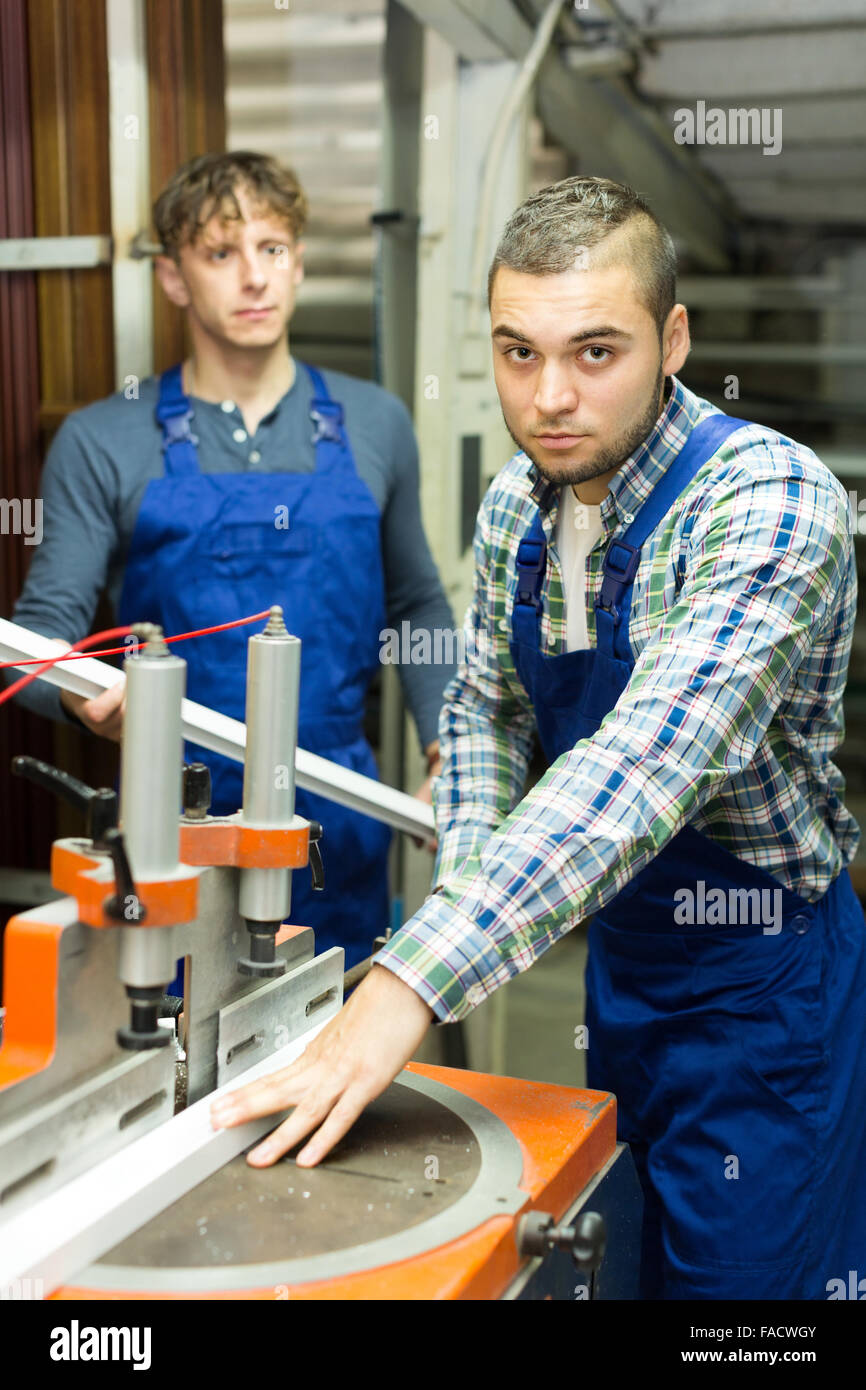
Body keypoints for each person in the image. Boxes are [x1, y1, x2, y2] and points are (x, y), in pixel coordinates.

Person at [210, 175, 866, 1302]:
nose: (548, 398)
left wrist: (410, 981)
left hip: (762, 999)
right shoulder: (523, 502)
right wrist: (468, 886)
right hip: (623, 975)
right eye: (517, 353)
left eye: (593, 352)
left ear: (671, 340)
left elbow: (638, 766)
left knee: (744, 1309)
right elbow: (484, 710)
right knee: (624, 1263)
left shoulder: (767, 504)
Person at [9, 151, 456, 970]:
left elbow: (420, 602)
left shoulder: (376, 422)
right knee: (174, 1048)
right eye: (221, 254)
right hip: (177, 817)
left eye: (273, 248)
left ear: (299, 260)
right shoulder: (104, 439)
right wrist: (85, 698)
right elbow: (38, 644)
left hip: (342, 811)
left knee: (344, 1042)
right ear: (175, 277)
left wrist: (446, 746)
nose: (255, 278)